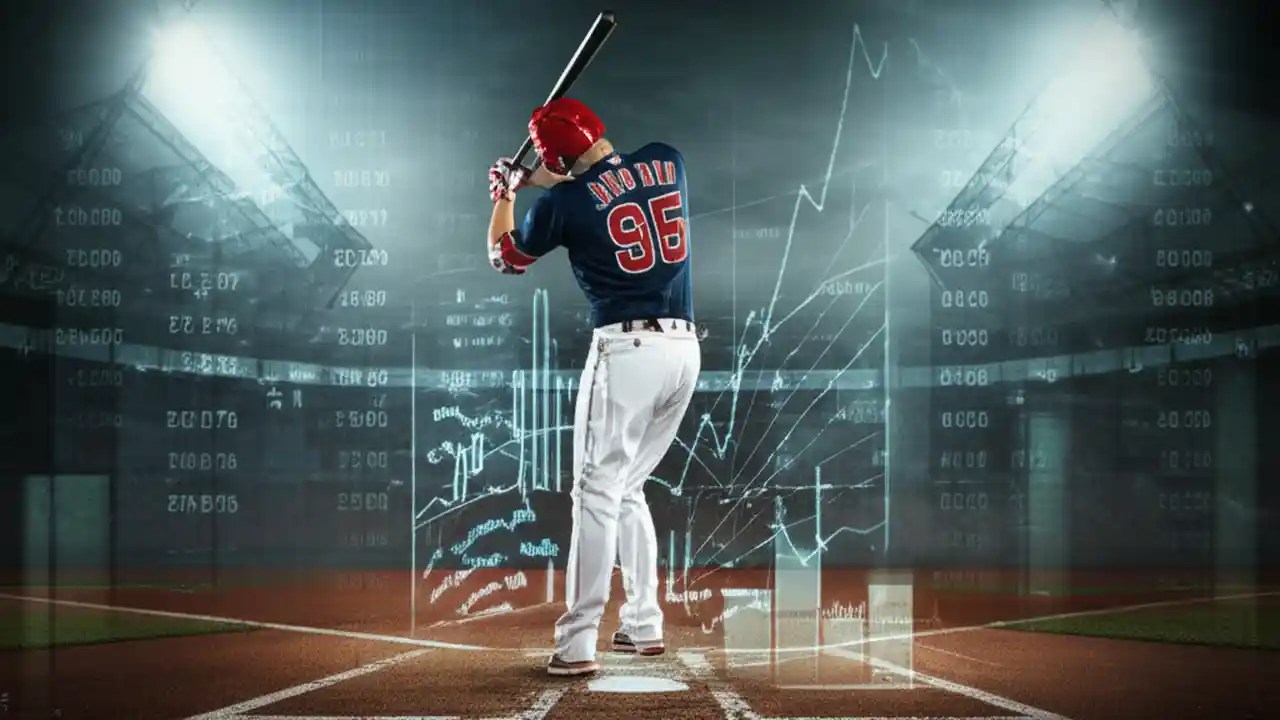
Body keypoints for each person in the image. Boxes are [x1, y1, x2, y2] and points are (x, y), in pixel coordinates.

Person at [486, 97, 700, 677]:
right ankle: (644, 622)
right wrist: (544, 179)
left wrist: (507, 195)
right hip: (684, 351)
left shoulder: (561, 204)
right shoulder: (667, 160)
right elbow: (606, 183)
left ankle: (578, 640)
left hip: (626, 352)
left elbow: (505, 256)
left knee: (596, 493)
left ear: (557, 155)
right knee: (627, 488)